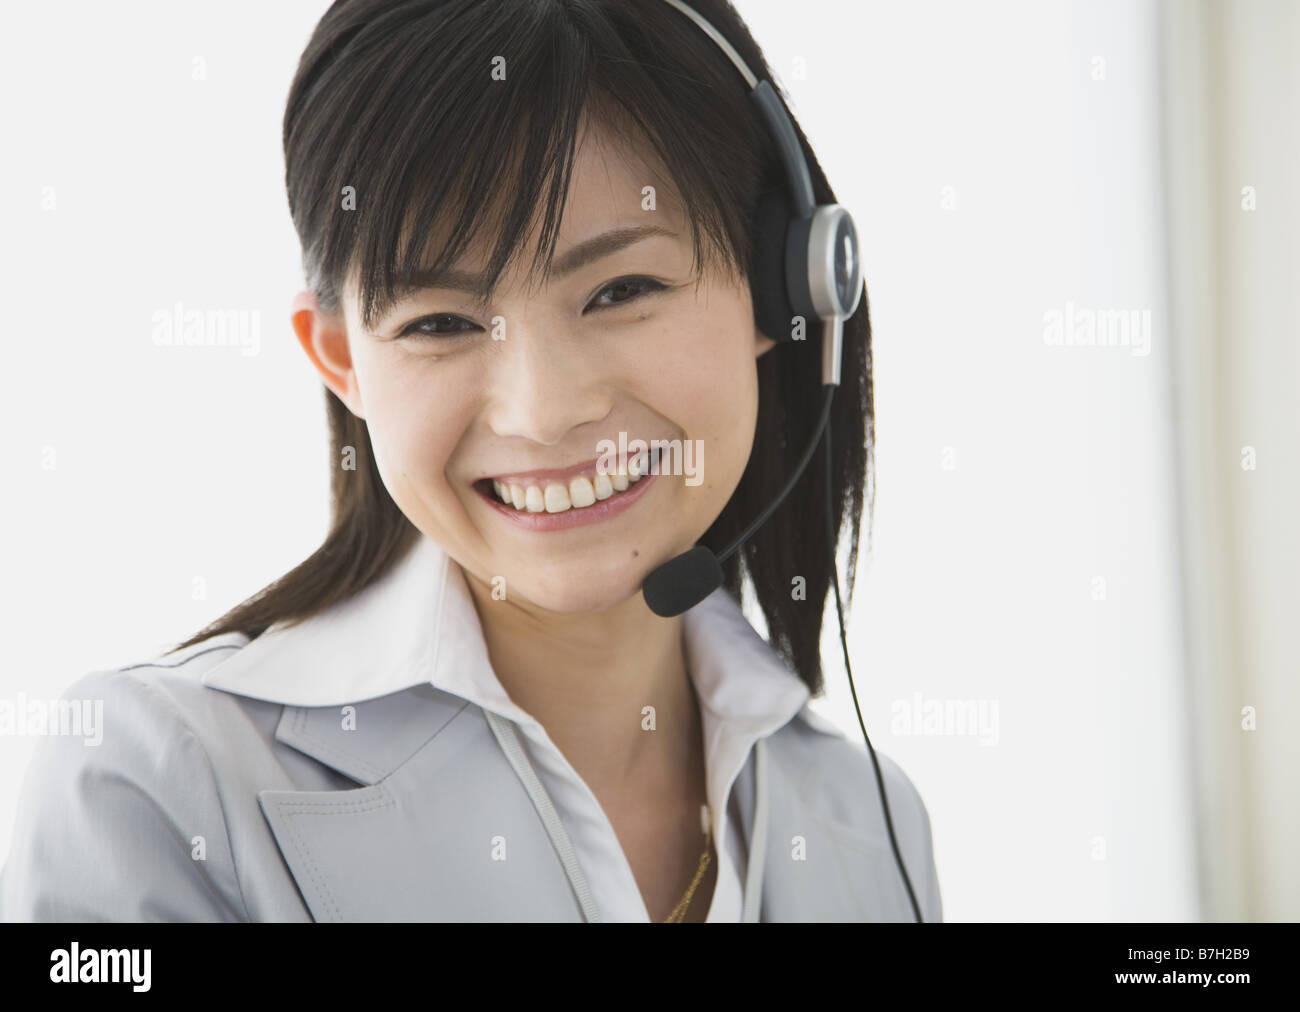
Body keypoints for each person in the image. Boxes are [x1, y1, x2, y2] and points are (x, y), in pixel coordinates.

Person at [0, 0, 941, 923]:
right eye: (440, 323)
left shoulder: (869, 821)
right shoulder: (161, 787)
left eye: (622, 289)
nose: (541, 412)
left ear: (784, 291)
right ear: (341, 363)